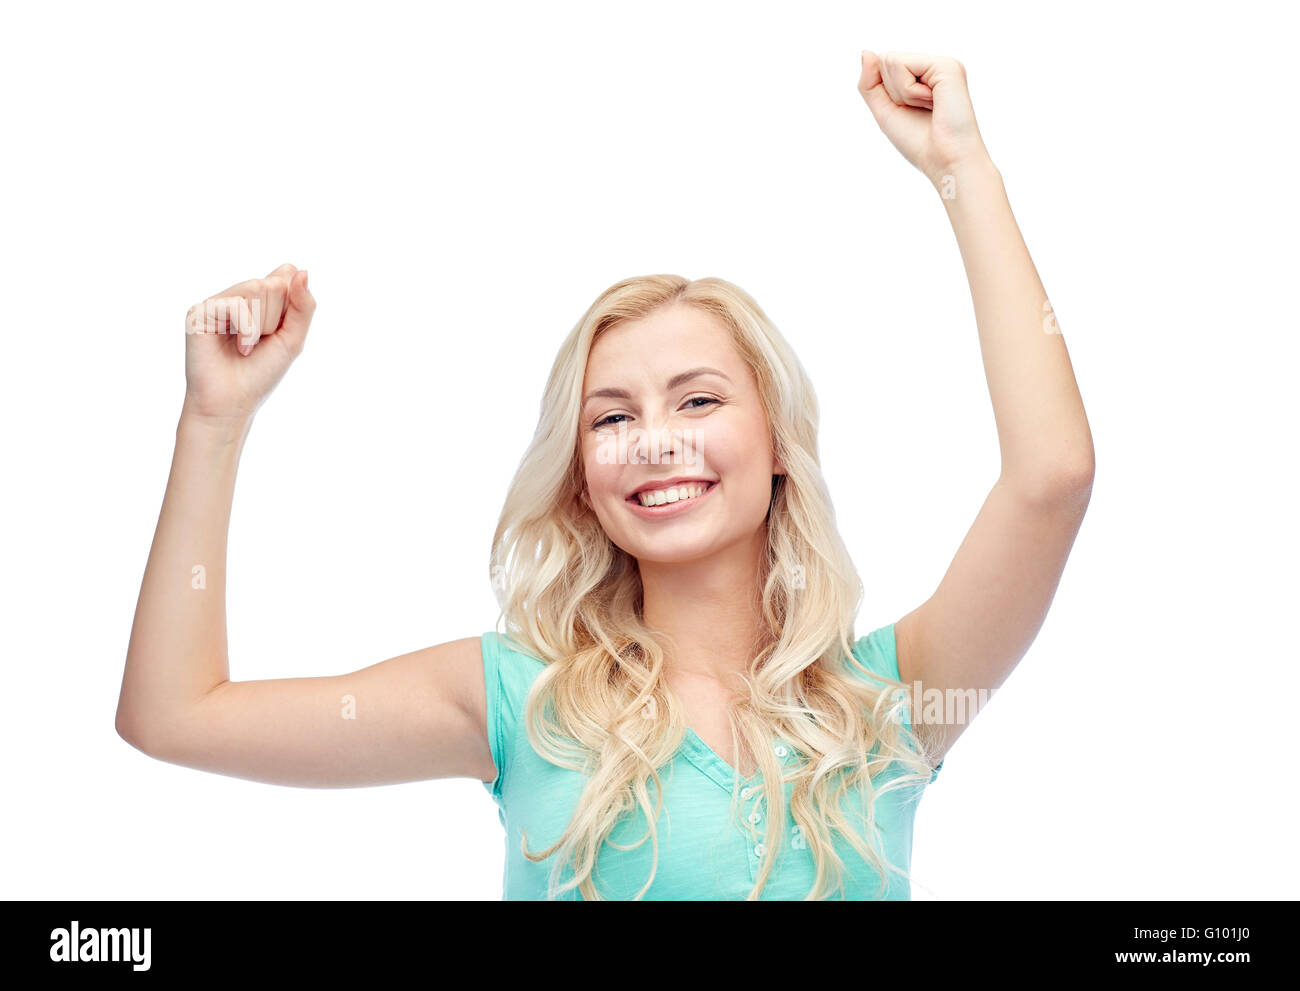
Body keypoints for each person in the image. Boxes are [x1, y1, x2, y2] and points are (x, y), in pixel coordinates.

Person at [116, 50, 1094, 900]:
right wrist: (215, 419)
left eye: (699, 400)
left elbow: (1051, 474)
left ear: (781, 442)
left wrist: (961, 168)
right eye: (613, 417)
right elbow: (173, 715)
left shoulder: (894, 697)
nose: (655, 439)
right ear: (582, 477)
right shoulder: (516, 699)